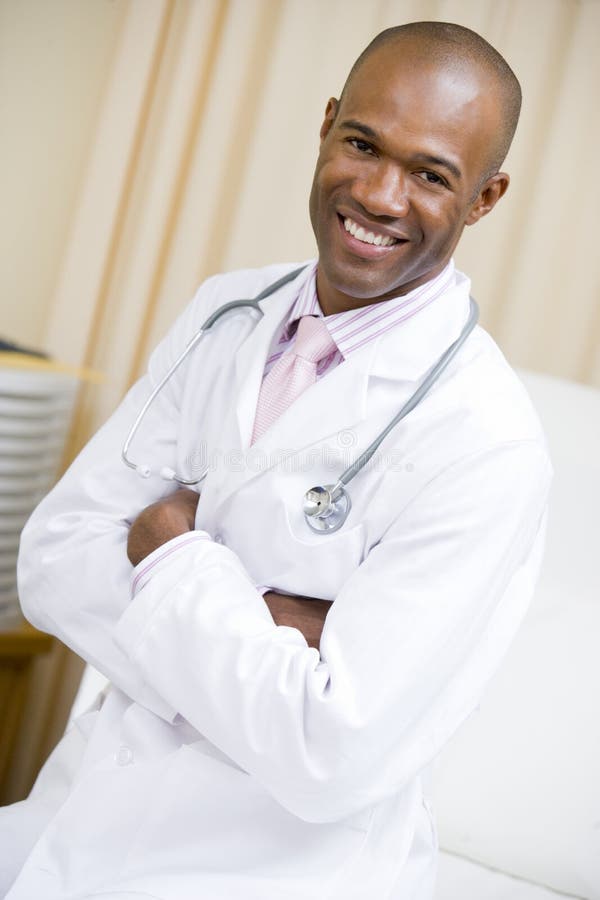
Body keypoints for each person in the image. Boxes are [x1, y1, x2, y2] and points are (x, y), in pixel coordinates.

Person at [0, 21, 552, 900]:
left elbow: (331, 754)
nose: (379, 193)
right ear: (328, 124)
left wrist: (174, 551)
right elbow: (54, 560)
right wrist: (275, 628)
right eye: (363, 143)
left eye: (430, 174)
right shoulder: (228, 310)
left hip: (280, 871)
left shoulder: (487, 441)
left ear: (486, 198)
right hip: (81, 812)